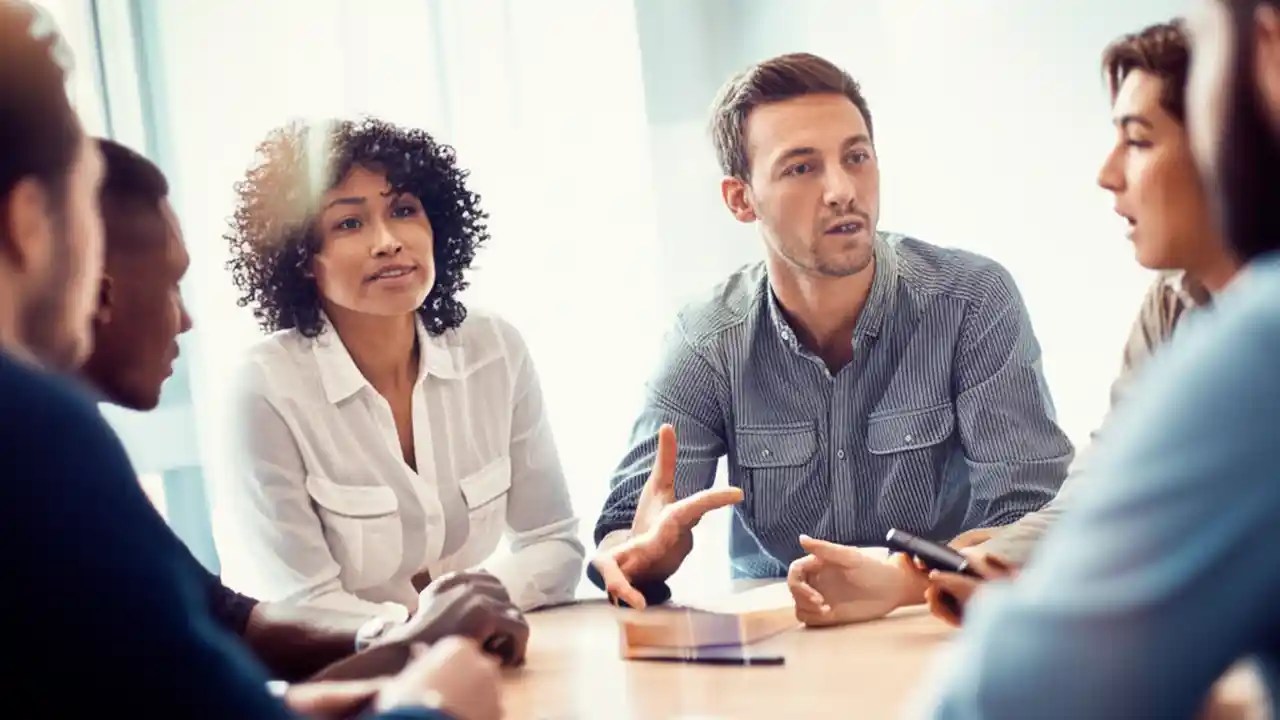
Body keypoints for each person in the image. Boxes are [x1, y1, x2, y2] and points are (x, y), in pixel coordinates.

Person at [0, 2, 497, 718]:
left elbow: (217, 629)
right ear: (28, 225)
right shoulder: (36, 433)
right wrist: (435, 704)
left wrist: (382, 646)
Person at [590, 52, 1074, 612]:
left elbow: (1031, 514)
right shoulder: (706, 339)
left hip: (931, 619)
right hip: (783, 632)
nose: (843, 189)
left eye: (857, 157)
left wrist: (902, 580)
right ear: (741, 199)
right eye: (802, 167)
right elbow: (628, 528)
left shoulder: (970, 301)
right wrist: (640, 553)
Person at [916, 0, 1280, 715]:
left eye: (1138, 139)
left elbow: (1002, 698)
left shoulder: (1259, 348)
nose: (1107, 175)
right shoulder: (1182, 313)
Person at [84, 137, 530, 685]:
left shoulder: (74, 448)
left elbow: (225, 619)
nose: (186, 321)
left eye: (404, 210)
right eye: (171, 285)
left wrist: (409, 636)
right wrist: (421, 645)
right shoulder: (56, 444)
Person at [215, 117, 584, 618]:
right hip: (330, 682)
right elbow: (303, 610)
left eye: (404, 210)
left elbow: (552, 544)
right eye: (349, 223)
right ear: (302, 256)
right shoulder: (264, 390)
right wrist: (429, 624)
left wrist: (472, 607)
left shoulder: (494, 348)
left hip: (474, 657)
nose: (387, 241)